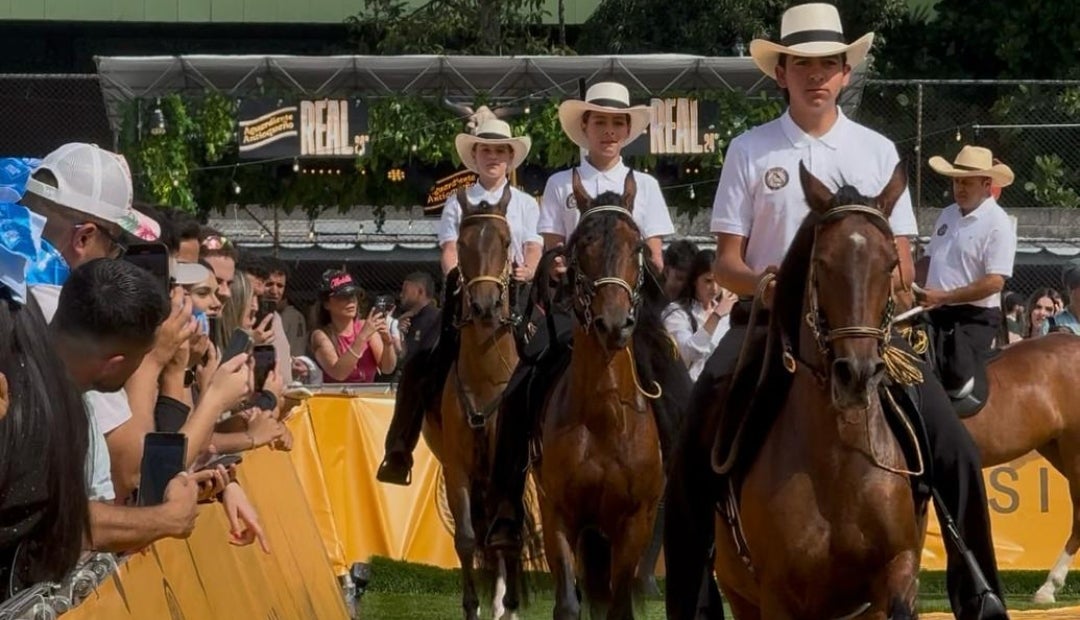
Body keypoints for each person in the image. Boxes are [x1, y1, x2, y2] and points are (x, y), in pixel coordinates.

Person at [663, 4, 1007, 619]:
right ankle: (692, 603)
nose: (816, 75)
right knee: (694, 434)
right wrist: (764, 283)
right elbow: (726, 264)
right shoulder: (750, 149)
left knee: (956, 446)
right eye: (803, 64)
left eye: (829, 64)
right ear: (782, 73)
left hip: (867, 332)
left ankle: (978, 591)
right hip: (767, 326)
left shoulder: (876, 149)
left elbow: (902, 261)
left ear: (846, 73)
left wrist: (889, 289)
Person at [484, 81, 690, 549]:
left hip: (633, 313)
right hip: (573, 313)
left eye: (618, 123)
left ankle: (684, 506)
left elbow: (656, 256)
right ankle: (506, 508)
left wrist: (638, 268)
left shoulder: (648, 187)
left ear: (627, 130)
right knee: (521, 384)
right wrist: (559, 264)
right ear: (585, 128)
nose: (610, 131)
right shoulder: (560, 185)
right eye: (601, 122)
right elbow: (552, 251)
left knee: (680, 388)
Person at [376, 118, 540, 485]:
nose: (493, 157)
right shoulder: (458, 200)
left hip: (516, 295)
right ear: (475, 156)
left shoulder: (527, 204)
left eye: (500, 150)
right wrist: (460, 278)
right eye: (486, 150)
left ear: (510, 157)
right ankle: (399, 450)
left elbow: (533, 247)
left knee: (552, 356)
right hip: (466, 294)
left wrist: (527, 270)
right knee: (420, 362)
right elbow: (449, 250)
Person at [917, 146, 1017, 406]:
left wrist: (944, 297)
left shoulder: (998, 222)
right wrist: (905, 281)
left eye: (966, 182)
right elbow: (929, 259)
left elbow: (996, 281)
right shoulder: (947, 214)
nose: (959, 188)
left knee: (955, 377)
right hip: (934, 309)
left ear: (986, 184)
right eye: (956, 181)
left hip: (974, 317)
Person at [662, 249, 737, 381]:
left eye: (718, 281)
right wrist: (716, 316)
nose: (714, 288)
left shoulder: (726, 312)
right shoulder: (676, 313)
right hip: (691, 391)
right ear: (694, 281)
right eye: (708, 281)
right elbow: (687, 353)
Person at [309, 270, 396, 384]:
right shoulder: (321, 335)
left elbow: (387, 369)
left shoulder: (365, 326)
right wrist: (362, 337)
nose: (351, 300)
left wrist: (387, 342)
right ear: (326, 304)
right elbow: (339, 374)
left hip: (365, 399)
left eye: (353, 295)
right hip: (336, 399)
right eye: (342, 296)